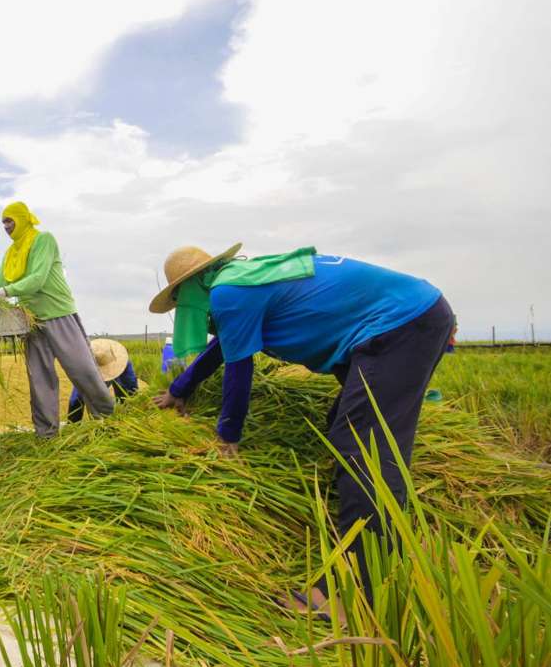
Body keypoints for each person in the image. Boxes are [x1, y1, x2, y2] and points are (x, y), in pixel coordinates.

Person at [148, 244, 453, 616]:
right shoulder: (245, 278)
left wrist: (228, 435)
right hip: (404, 318)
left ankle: (357, 590)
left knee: (363, 446)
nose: (183, 309)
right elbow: (225, 347)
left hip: (400, 325)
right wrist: (180, 390)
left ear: (194, 286)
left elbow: (239, 369)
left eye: (180, 298)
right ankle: (385, 539)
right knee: (344, 429)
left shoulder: (230, 291)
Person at [0, 202, 114, 437]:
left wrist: (4, 293)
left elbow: (38, 279)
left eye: (10, 221)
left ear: (22, 219)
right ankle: (47, 434)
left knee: (81, 369)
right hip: (32, 321)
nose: (6, 227)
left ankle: (107, 418)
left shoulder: (44, 240)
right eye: (3, 222)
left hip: (58, 314)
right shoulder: (11, 253)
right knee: (39, 377)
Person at [68, 338, 140, 422]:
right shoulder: (85, 367)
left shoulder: (123, 361)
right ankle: (97, 422)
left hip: (116, 363)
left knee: (126, 392)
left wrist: (133, 405)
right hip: (91, 370)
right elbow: (77, 396)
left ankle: (124, 418)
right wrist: (73, 422)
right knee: (86, 393)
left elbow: (131, 387)